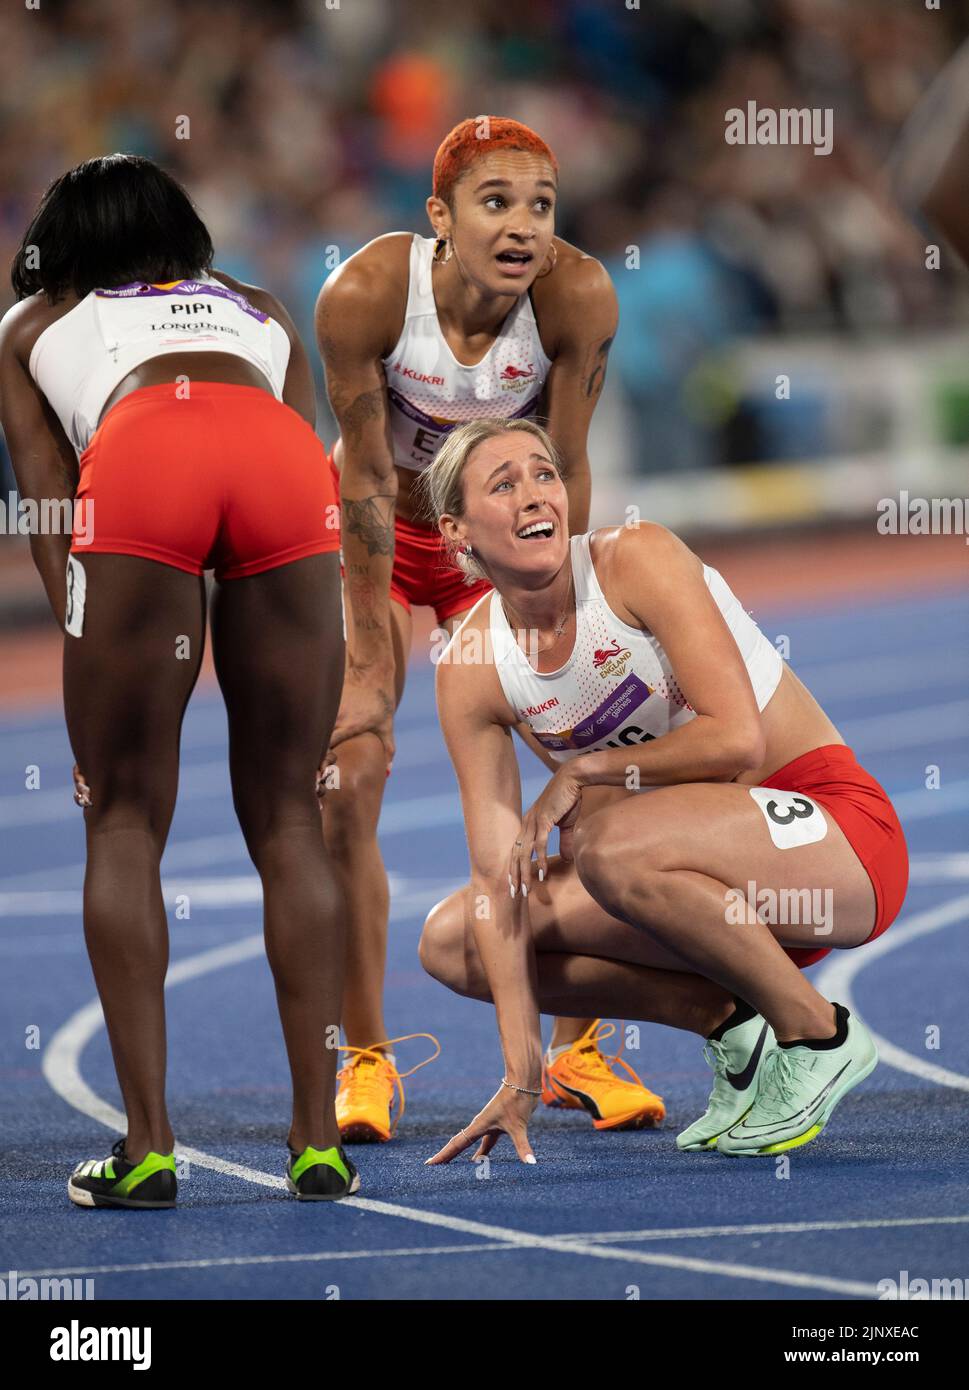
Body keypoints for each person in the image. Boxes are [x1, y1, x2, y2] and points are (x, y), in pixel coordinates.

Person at [0, 153, 357, 1205]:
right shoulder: (259, 305)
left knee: (120, 821)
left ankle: (149, 1146)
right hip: (282, 464)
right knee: (291, 815)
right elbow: (304, 449)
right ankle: (317, 1137)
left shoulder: (28, 325)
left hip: (144, 460)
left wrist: (99, 668)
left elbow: (50, 512)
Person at [416, 417, 909, 1166]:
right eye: (503, 484)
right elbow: (496, 878)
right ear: (455, 531)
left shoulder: (634, 561)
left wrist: (583, 771)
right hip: (703, 910)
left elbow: (735, 738)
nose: (532, 496)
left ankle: (819, 1034)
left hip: (831, 846)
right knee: (453, 942)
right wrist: (520, 1076)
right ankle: (728, 1022)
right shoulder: (471, 666)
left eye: (543, 474)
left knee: (609, 839)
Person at [314, 115, 663, 1140]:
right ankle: (366, 1057)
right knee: (350, 773)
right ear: (441, 216)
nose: (523, 227)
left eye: (542, 204)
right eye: (496, 202)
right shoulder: (368, 296)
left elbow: (565, 464)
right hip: (383, 537)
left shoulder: (577, 294)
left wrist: (565, 622)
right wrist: (375, 657)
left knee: (588, 755)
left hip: (497, 546)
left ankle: (579, 1048)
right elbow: (368, 476)